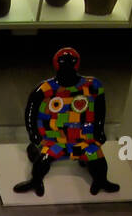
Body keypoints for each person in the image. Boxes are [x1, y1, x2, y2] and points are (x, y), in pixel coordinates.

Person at [13, 46, 120, 197]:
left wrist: (99, 130)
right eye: (63, 63)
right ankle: (36, 180)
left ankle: (101, 180)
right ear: (56, 65)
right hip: (54, 139)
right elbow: (30, 112)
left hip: (82, 138)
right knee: (43, 161)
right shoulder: (45, 89)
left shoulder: (92, 86)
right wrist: (34, 133)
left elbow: (100, 111)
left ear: (77, 64)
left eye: (71, 62)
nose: (67, 67)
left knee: (97, 158)